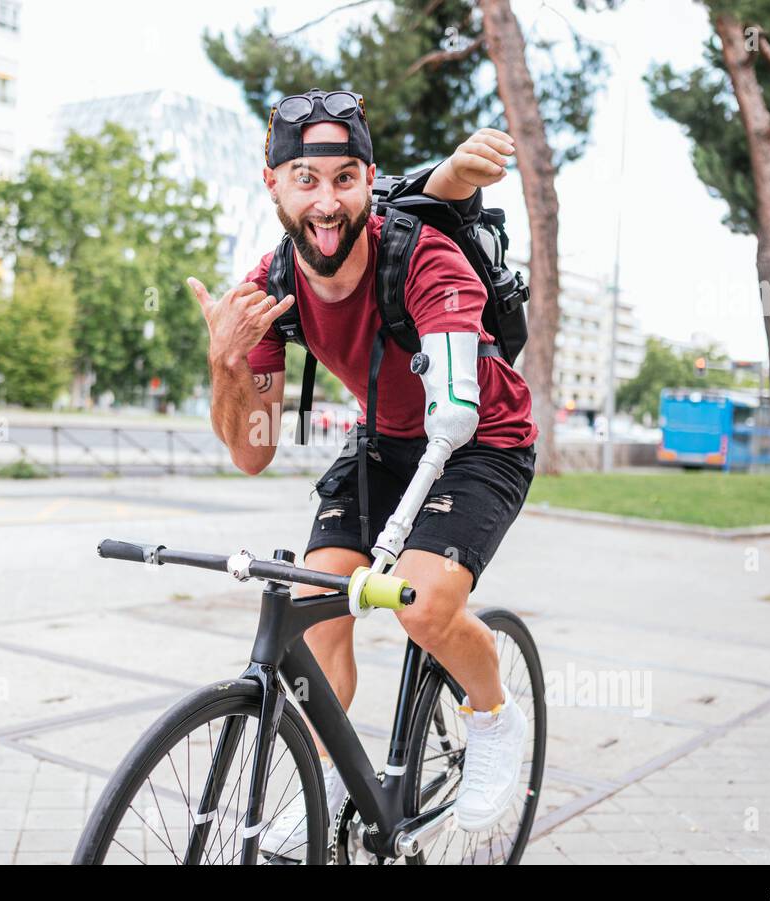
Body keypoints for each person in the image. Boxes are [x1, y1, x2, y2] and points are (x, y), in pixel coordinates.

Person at [187, 89, 538, 850]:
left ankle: (495, 718)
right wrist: (225, 364)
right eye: (306, 180)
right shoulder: (270, 285)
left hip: (482, 439)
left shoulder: (423, 253)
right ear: (273, 184)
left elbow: (456, 412)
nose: (326, 202)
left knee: (421, 605)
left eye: (345, 178)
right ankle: (328, 783)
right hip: (384, 442)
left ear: (369, 181)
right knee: (315, 622)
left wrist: (397, 553)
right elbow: (252, 450)